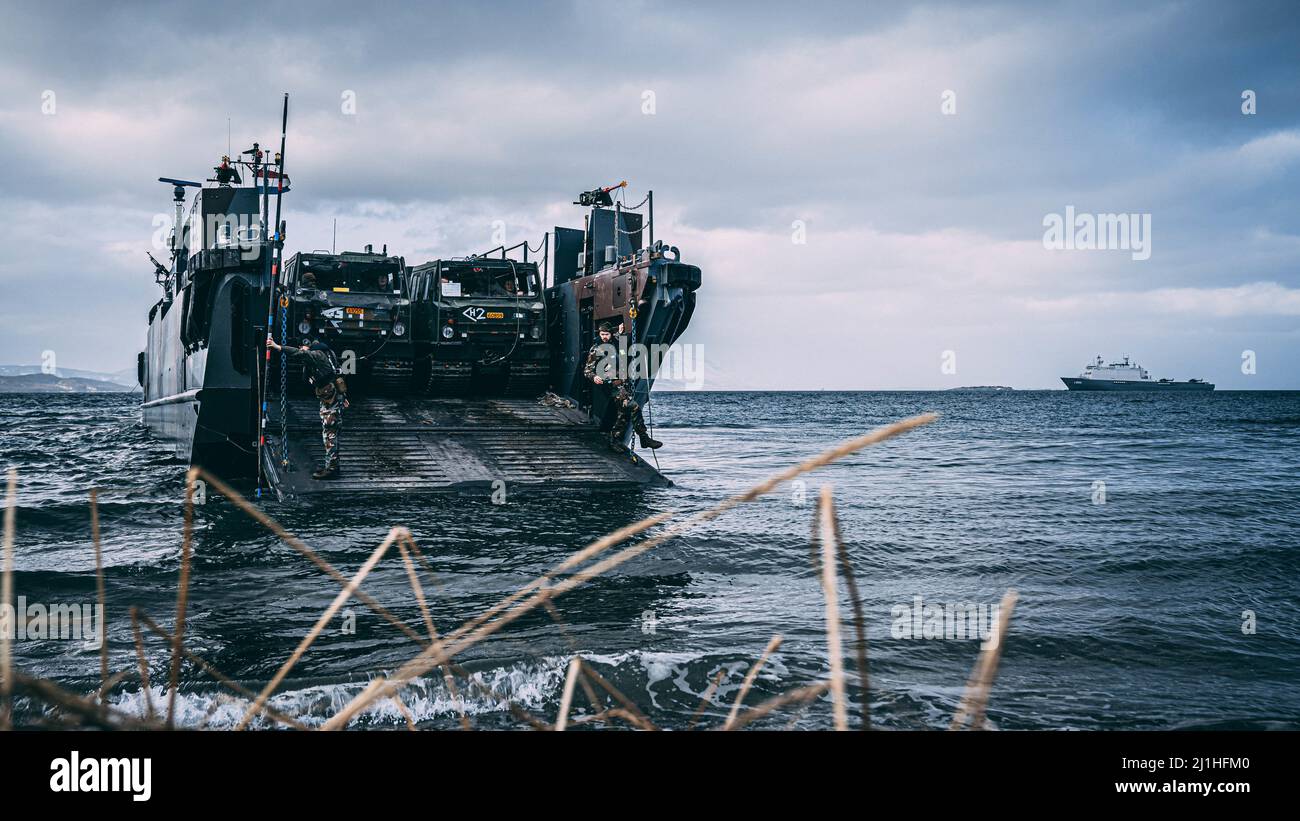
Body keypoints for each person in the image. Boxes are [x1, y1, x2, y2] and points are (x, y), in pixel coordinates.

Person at [266, 335, 349, 479]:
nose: (301, 349)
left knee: (330, 432)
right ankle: (332, 465)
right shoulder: (328, 352)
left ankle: (332, 469)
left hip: (330, 398)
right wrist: (343, 396)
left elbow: (299, 354)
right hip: (334, 395)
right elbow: (335, 374)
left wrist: (277, 347)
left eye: (302, 346)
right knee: (332, 431)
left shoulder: (316, 354)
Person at [583, 321, 662, 451]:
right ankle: (644, 438)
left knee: (623, 414)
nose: (604, 337)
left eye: (606, 334)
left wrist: (621, 332)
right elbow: (587, 370)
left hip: (621, 384)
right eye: (602, 334)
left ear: (611, 334)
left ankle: (614, 441)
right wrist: (594, 377)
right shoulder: (596, 349)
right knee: (634, 406)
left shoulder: (616, 342)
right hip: (610, 385)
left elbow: (620, 340)